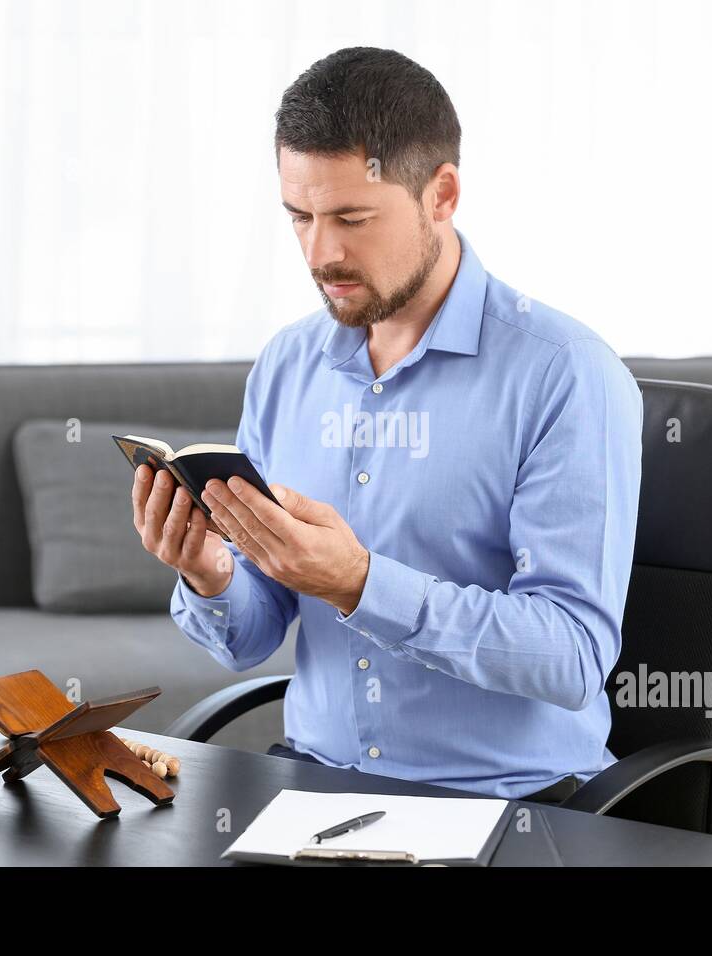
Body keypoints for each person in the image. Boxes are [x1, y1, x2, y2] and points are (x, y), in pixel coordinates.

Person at [132, 47, 643, 802]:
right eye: (299, 217)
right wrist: (209, 575)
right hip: (315, 790)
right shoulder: (288, 365)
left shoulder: (564, 372)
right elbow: (251, 636)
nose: (320, 252)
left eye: (352, 218)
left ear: (442, 194)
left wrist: (361, 583)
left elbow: (571, 655)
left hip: (509, 803)